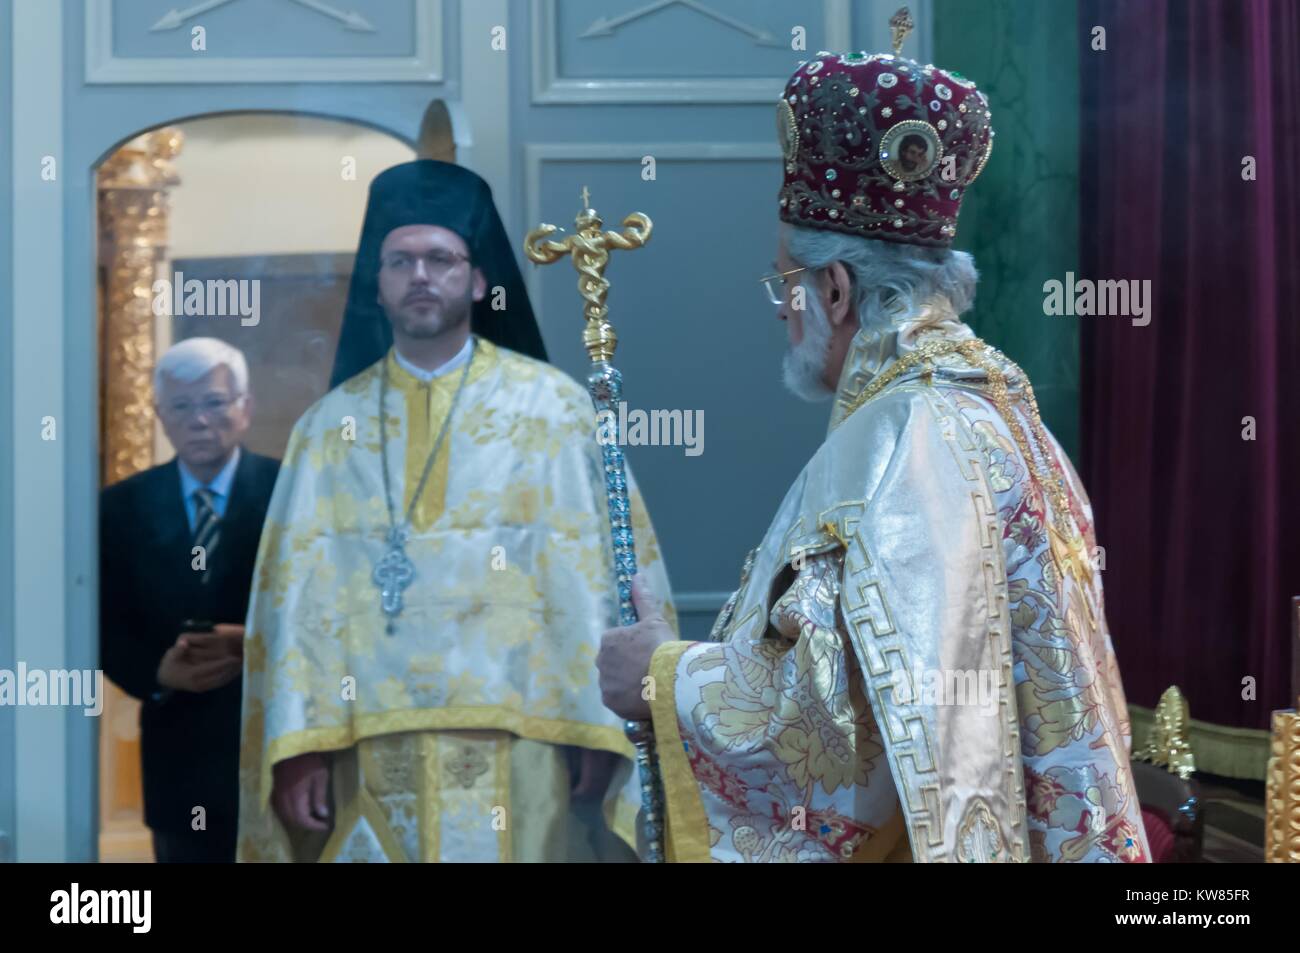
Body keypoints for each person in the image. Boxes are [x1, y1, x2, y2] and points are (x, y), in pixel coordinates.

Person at [597, 45, 1150, 863]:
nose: (780, 311)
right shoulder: (1000, 407)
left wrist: (661, 677)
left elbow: (844, 724)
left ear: (835, 292)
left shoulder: (904, 439)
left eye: (784, 284)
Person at [237, 159, 674, 862]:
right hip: (367, 747)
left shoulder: (554, 408)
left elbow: (602, 577)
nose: (419, 275)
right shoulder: (327, 429)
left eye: (440, 259)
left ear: (476, 278)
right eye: (400, 260)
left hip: (529, 742)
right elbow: (294, 603)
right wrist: (295, 749)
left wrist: (603, 723)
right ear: (375, 283)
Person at [100, 337, 279, 862]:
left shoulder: (294, 491)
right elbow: (102, 623)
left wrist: (260, 645)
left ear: (244, 409)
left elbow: (332, 609)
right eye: (182, 406)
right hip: (179, 756)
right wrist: (156, 672)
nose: (199, 420)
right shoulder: (119, 509)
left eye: (215, 402)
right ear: (160, 415)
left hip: (279, 751)